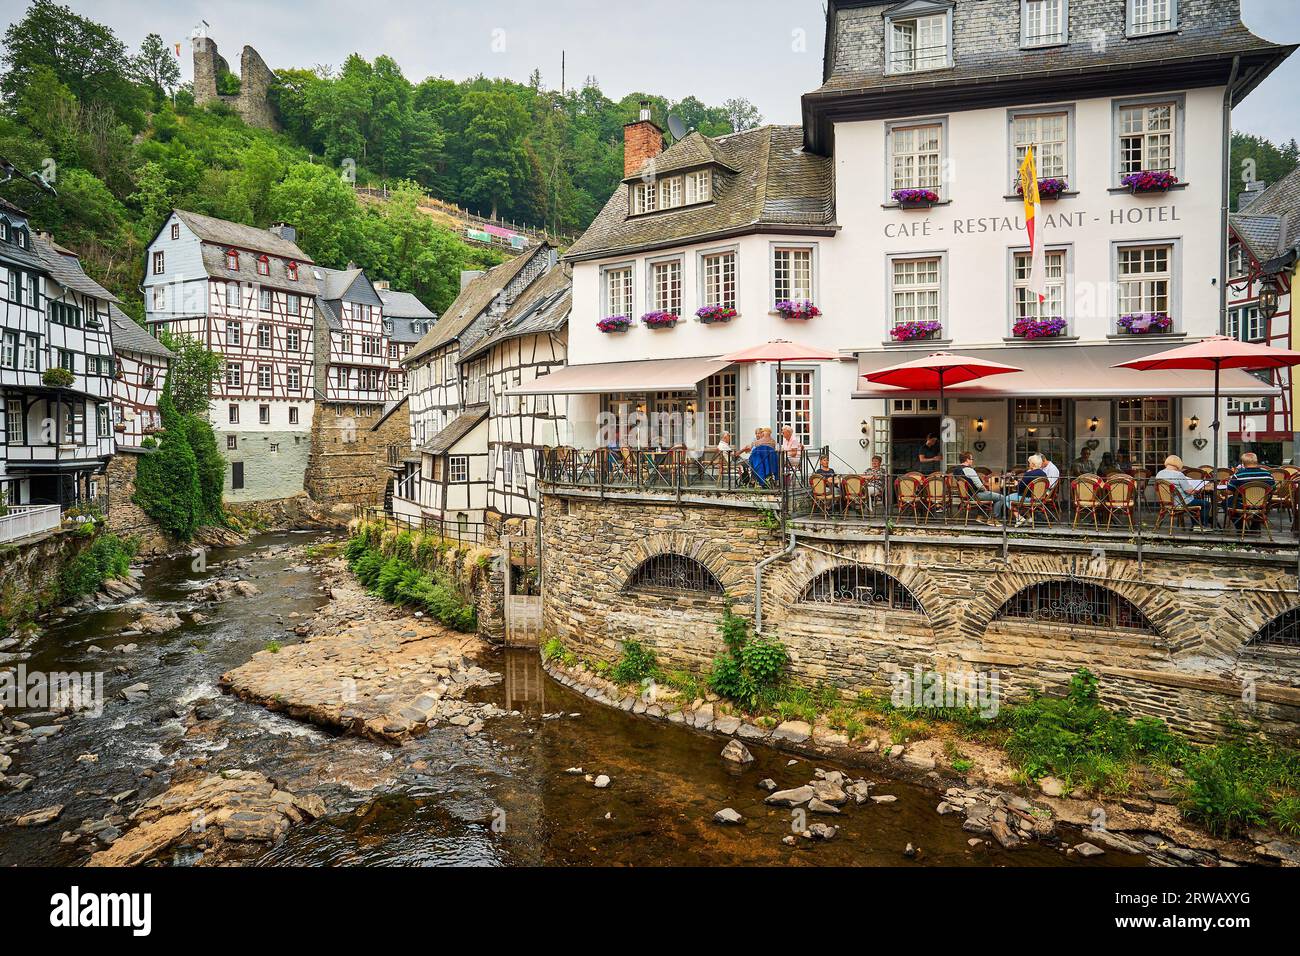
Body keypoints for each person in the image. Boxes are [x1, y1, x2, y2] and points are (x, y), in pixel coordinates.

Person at [1154, 454, 1212, 529]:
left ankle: (1196, 525)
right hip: (1180, 502)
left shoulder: (1159, 474)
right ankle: (1202, 526)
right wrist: (1195, 489)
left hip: (1166, 502)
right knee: (1206, 504)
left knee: (1193, 502)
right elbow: (1189, 491)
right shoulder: (1179, 475)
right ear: (1178, 464)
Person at [1223, 452, 1276, 527]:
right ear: (1256, 461)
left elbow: (1229, 492)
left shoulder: (1238, 475)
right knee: (1258, 505)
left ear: (1243, 463)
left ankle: (1240, 527)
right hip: (1262, 504)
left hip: (1243, 504)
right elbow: (1273, 490)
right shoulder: (1267, 474)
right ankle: (1255, 527)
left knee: (1226, 502)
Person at [996, 454, 1049, 524]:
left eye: (1029, 463)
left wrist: (1016, 484)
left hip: (1028, 498)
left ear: (1033, 464)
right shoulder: (1044, 474)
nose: (1029, 465)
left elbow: (1020, 489)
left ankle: (1018, 517)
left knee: (1007, 499)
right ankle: (1029, 518)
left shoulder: (1029, 474)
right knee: (1021, 501)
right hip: (1039, 499)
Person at [954, 451, 1002, 525]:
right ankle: (993, 519)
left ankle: (980, 516)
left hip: (967, 495)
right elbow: (979, 486)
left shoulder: (956, 470)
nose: (972, 461)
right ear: (967, 460)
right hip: (976, 495)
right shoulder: (969, 470)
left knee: (990, 495)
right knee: (1000, 497)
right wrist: (985, 489)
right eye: (972, 459)